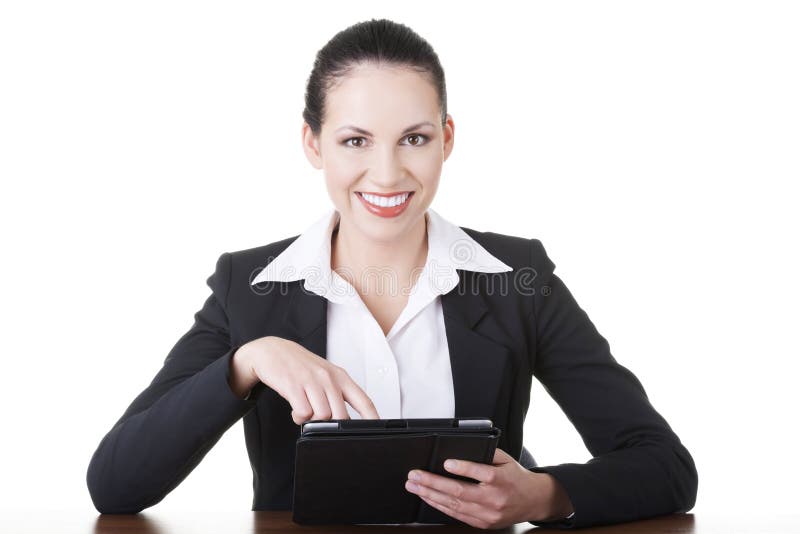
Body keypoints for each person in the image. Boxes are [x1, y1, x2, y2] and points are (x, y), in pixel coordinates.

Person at [86, 18, 698, 529]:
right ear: (313, 143)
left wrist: (541, 495)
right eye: (355, 141)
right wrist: (248, 361)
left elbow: (665, 465)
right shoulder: (250, 289)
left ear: (446, 139)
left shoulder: (518, 279)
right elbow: (114, 484)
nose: (386, 173)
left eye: (413, 138)